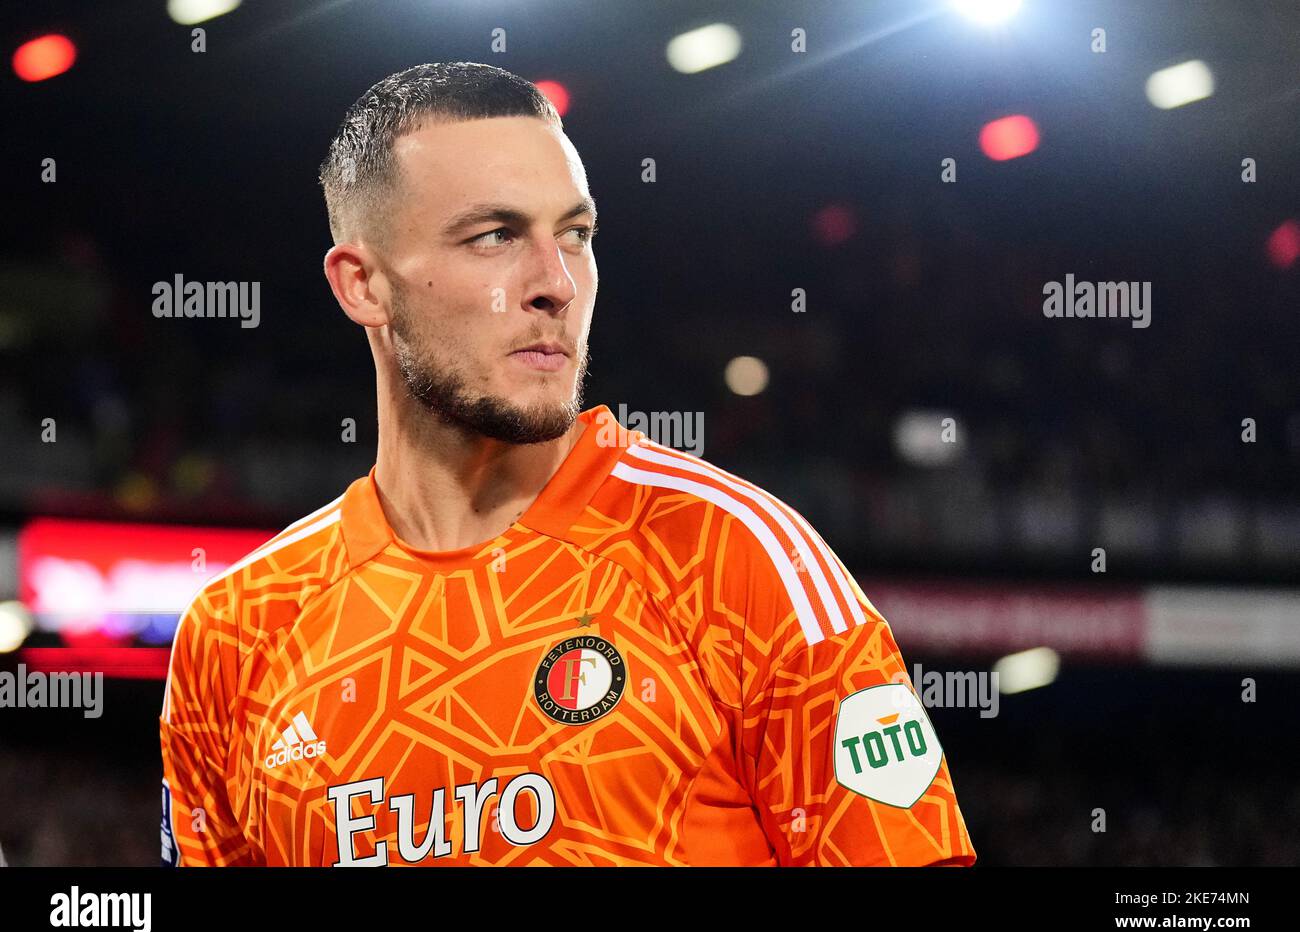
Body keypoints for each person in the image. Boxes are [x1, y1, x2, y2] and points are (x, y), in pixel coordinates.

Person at [159, 61, 975, 867]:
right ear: (363, 284)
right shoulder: (238, 631)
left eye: (575, 235)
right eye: (494, 236)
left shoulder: (737, 560)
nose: (556, 283)